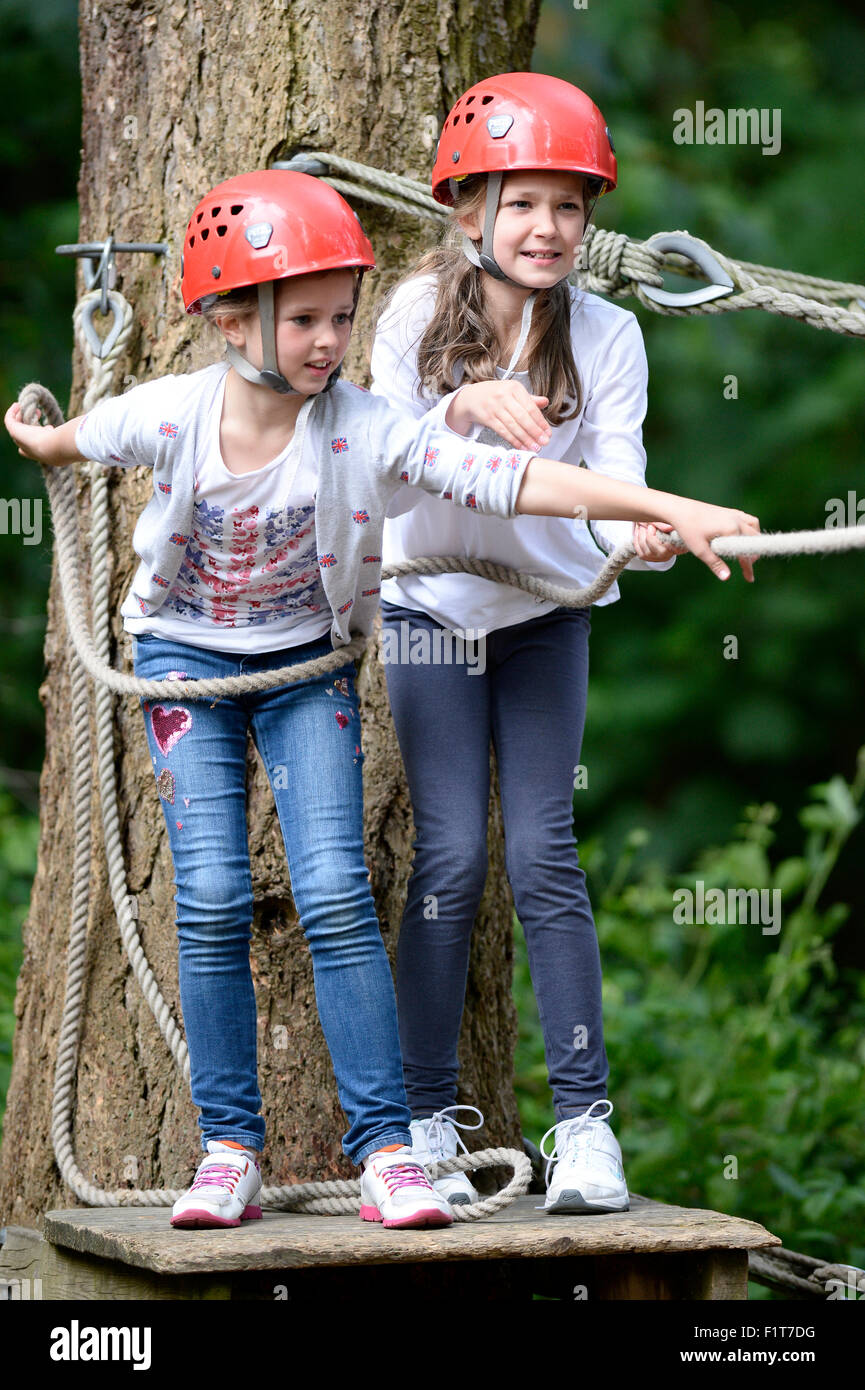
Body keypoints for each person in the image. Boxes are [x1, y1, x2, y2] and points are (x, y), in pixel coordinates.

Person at [6, 168, 758, 1232]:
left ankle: (389, 1148)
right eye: (305, 319)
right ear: (228, 317)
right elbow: (84, 435)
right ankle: (228, 1148)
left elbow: (518, 483)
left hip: (309, 669)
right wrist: (38, 439)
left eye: (342, 319)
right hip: (184, 671)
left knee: (336, 891)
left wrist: (665, 505)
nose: (328, 341)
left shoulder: (364, 428)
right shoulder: (170, 414)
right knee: (214, 897)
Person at [370, 73, 759, 1214]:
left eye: (569, 207)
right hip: (431, 610)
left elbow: (619, 473)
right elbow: (382, 458)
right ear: (467, 211)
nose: (548, 228)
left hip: (546, 617)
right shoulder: (407, 321)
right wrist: (456, 410)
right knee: (447, 859)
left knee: (544, 855)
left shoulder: (609, 333)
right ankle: (427, 1114)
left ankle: (586, 1127)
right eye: (524, 202)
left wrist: (637, 524)